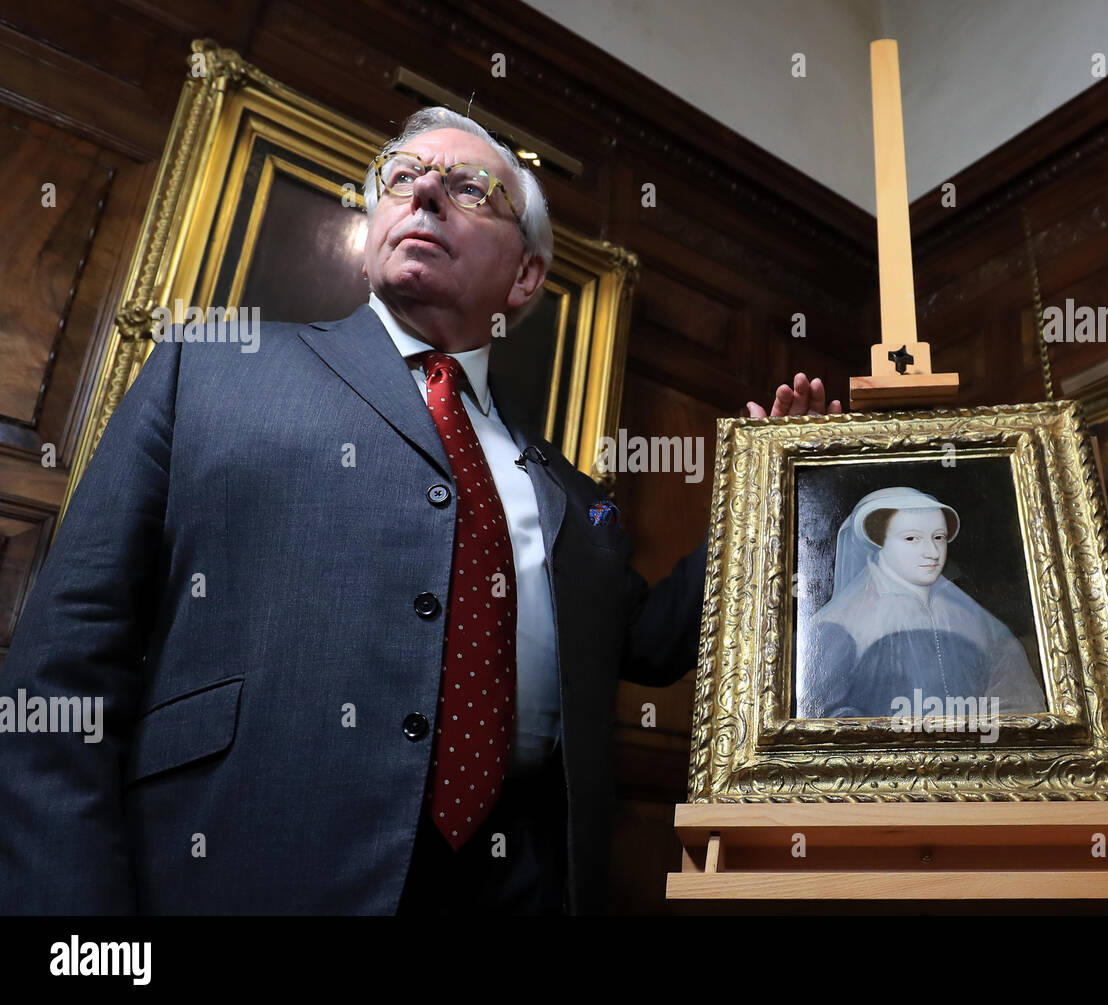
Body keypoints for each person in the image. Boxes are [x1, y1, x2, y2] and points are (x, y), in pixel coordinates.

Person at [0, 106, 840, 916]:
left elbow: (655, 644)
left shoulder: (572, 497)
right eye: (403, 177)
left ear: (526, 275)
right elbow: (64, 674)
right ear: (371, 229)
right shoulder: (210, 371)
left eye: (471, 189)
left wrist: (774, 487)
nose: (427, 194)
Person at [798, 486, 1045, 719]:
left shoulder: (972, 618)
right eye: (911, 539)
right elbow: (821, 724)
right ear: (879, 541)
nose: (932, 552)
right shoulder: (838, 625)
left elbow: (1020, 706)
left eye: (938, 537)